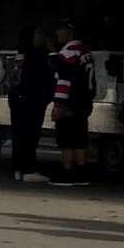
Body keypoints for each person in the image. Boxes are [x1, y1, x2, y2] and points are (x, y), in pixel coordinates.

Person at [49, 18, 95, 186]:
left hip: (70, 102)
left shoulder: (68, 53)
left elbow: (64, 80)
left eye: (60, 30)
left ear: (70, 32)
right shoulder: (85, 52)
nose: (57, 33)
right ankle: (82, 173)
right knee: (80, 138)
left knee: (66, 139)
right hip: (84, 101)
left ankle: (67, 173)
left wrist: (58, 105)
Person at [8, 26, 53, 183]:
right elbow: (45, 78)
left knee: (18, 135)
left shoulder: (21, 54)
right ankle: (29, 169)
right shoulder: (38, 55)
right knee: (30, 135)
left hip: (16, 98)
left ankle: (18, 169)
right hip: (32, 99)